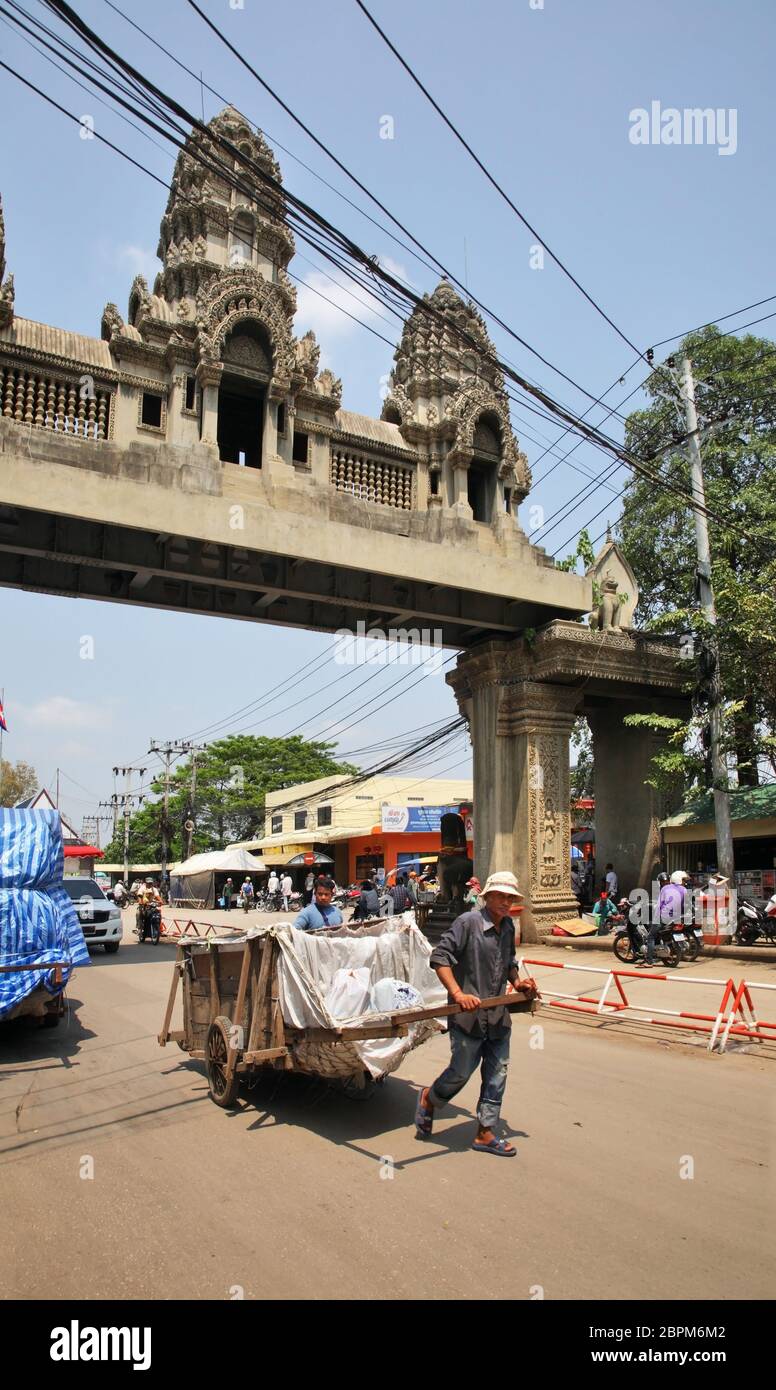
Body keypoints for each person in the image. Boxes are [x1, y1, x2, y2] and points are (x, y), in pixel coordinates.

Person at [414, 871, 537, 1157]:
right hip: (467, 1018)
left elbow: (509, 962)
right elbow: (440, 958)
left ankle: (485, 1133)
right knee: (460, 1072)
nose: (506, 902)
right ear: (488, 896)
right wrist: (458, 994)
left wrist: (518, 982)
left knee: (498, 1072)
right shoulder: (467, 923)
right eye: (502, 896)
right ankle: (430, 1099)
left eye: (511, 897)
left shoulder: (507, 928)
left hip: (497, 1017)